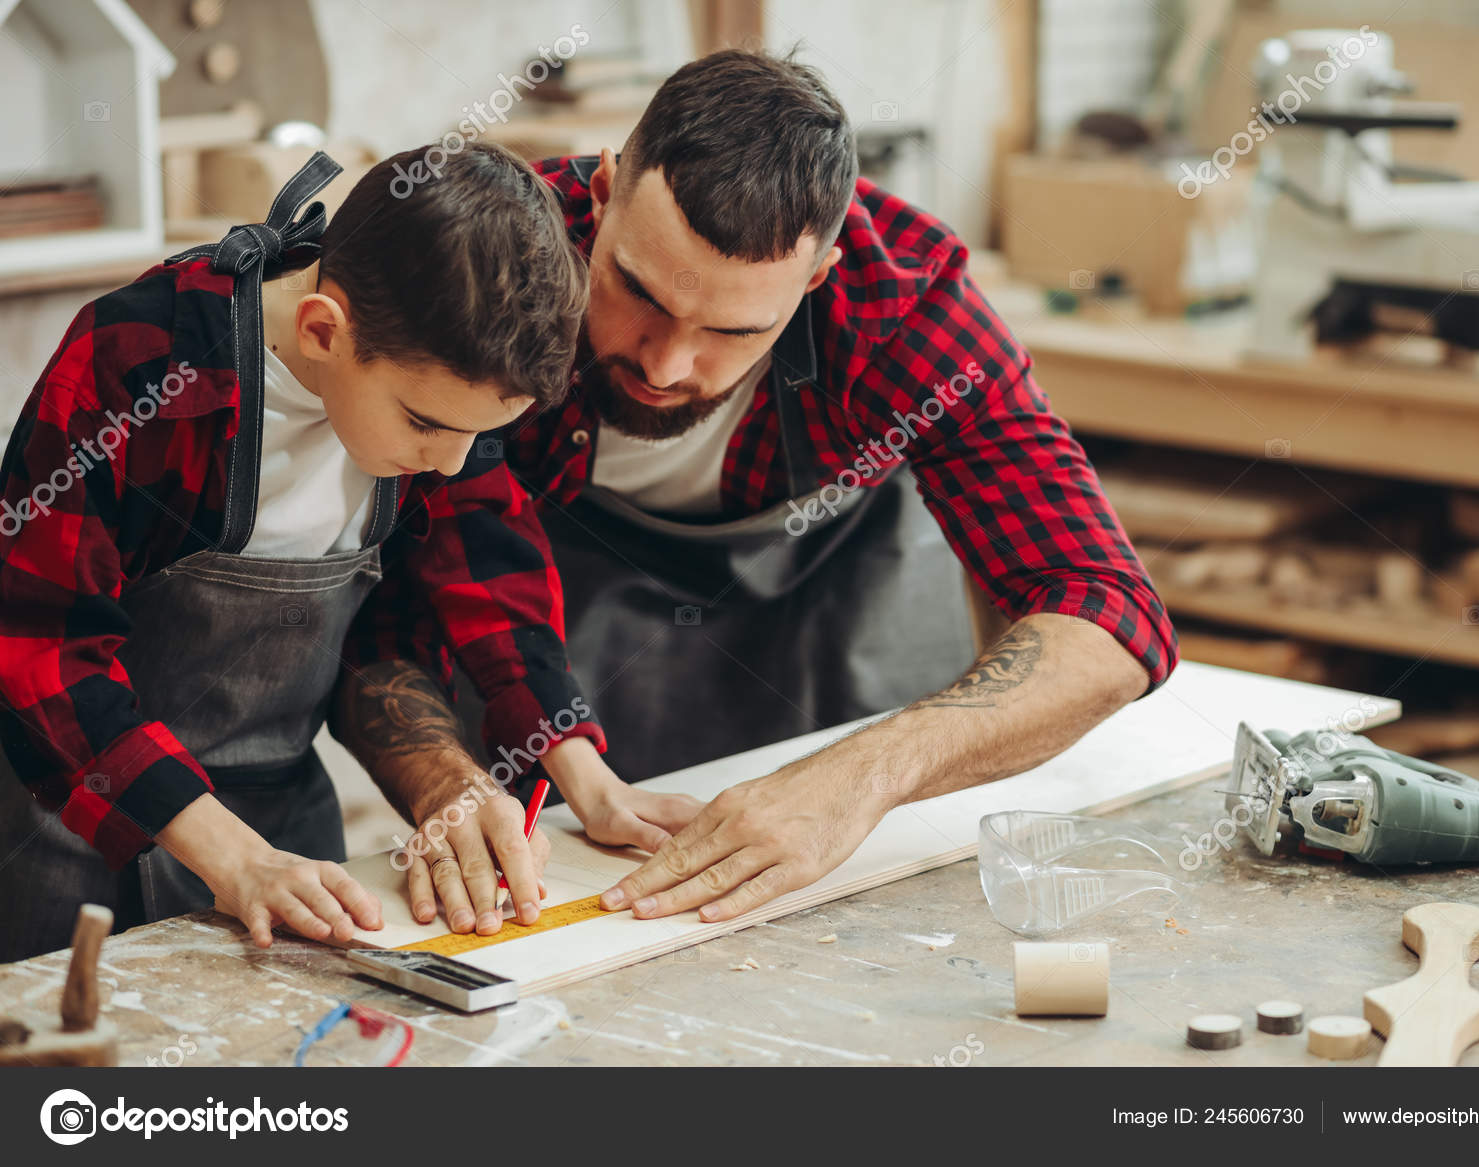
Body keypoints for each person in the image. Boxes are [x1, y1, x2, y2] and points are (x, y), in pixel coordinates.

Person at [339, 50, 1176, 933]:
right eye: (637, 290)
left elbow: (1111, 613)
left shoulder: (899, 310)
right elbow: (370, 603)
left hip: (822, 713)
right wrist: (445, 785)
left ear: (815, 278)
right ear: (603, 194)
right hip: (552, 751)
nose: (665, 364)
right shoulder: (484, 269)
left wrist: (855, 781)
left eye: (732, 329)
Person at [0, 142, 590, 961]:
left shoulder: (440, 402)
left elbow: (424, 615)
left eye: (480, 434)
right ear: (322, 329)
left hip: (285, 834)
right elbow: (40, 650)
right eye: (427, 425)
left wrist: (491, 773)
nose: (454, 464)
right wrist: (232, 858)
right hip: (65, 841)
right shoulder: (138, 363)